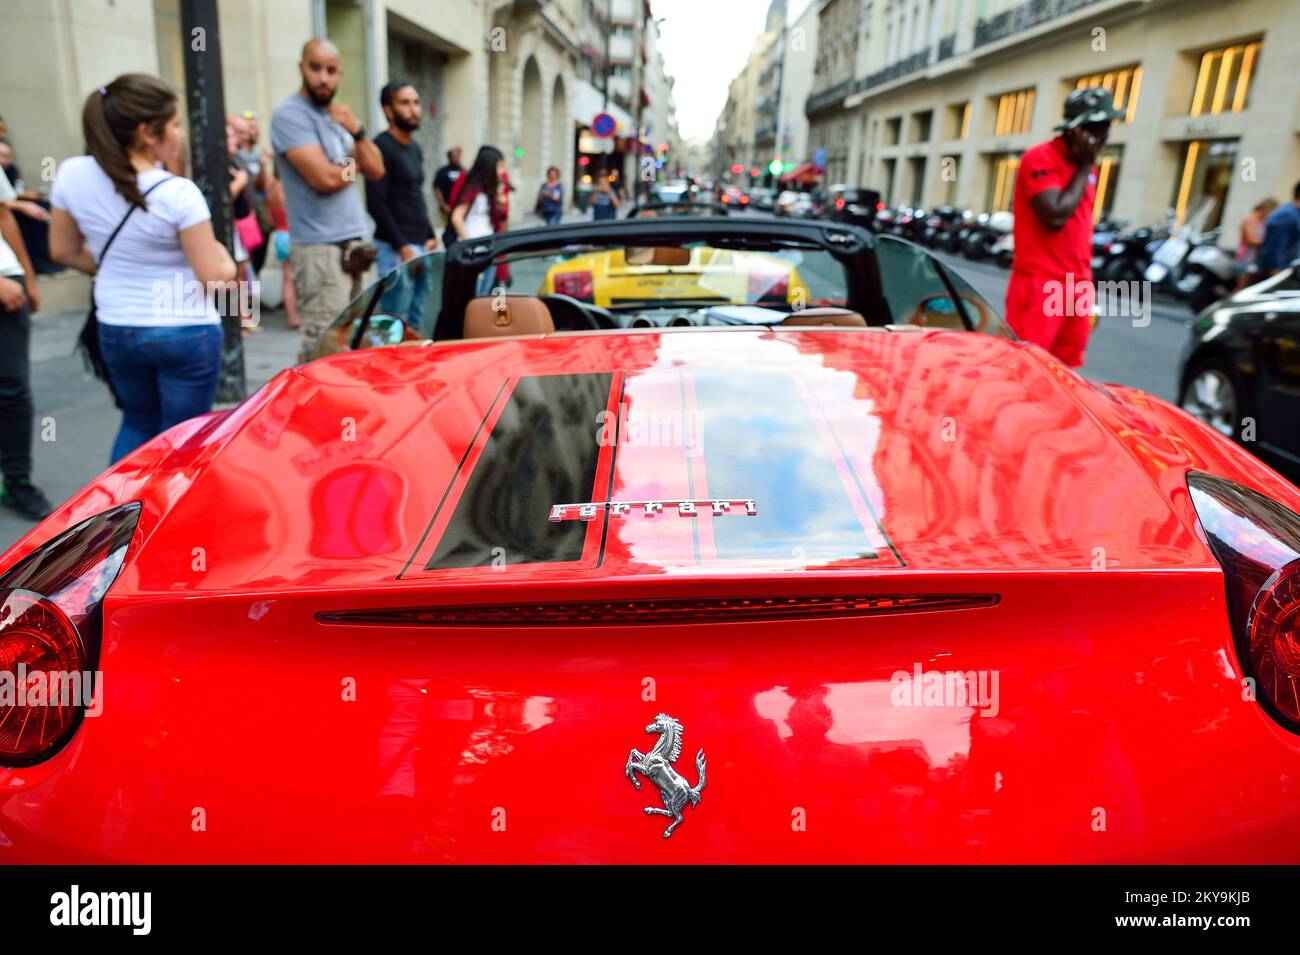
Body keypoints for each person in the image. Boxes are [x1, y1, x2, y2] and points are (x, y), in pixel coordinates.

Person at [49, 73, 236, 464]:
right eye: (175, 125)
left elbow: (62, 250)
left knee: (137, 422)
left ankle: (121, 515)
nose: (181, 134)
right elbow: (214, 280)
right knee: (185, 439)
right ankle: (171, 521)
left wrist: (114, 267)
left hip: (117, 326)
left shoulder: (71, 174)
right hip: (184, 331)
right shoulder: (177, 193)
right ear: (147, 133)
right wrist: (228, 262)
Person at [270, 37, 385, 362]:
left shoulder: (339, 118)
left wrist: (358, 132)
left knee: (363, 341)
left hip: (355, 244)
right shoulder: (289, 115)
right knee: (324, 349)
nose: (324, 78)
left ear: (340, 73)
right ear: (301, 68)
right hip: (319, 250)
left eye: (332, 70)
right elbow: (325, 178)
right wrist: (353, 165)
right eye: (315, 68)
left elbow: (376, 168)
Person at [1004, 87, 1123, 368]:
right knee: (1029, 369)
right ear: (1076, 130)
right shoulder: (1041, 158)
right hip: (1041, 282)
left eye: (1107, 127)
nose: (1104, 137)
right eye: (1098, 128)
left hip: (1078, 282)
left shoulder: (1087, 167)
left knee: (1065, 370)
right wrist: (1084, 168)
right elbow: (1055, 215)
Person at [365, 81, 438, 331]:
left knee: (416, 320)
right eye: (405, 103)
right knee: (394, 324)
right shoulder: (380, 147)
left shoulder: (415, 147)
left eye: (416, 102)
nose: (414, 109)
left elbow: (414, 193)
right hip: (394, 249)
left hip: (419, 245)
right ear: (388, 110)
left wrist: (429, 233)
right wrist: (402, 246)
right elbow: (375, 203)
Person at [0, 165, 51, 519]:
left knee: (13, 387)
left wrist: (28, 276)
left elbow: (3, 214)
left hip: (8, 281)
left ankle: (17, 479)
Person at [449, 145, 507, 295]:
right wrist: (469, 245)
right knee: (474, 295)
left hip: (488, 248)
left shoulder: (489, 190)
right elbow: (457, 218)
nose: (502, 171)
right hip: (474, 251)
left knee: (484, 293)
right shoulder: (473, 189)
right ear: (489, 167)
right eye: (499, 166)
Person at [1258, 180, 1300, 277]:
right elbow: (1274, 248)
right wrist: (1275, 276)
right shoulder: (1287, 214)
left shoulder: (1294, 214)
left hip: (1286, 272)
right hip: (1277, 274)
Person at [1235, 198, 1278, 289]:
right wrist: (1270, 242)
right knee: (1241, 287)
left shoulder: (1263, 221)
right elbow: (1252, 240)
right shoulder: (1250, 219)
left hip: (1256, 258)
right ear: (1266, 209)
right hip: (1245, 257)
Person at [432, 146, 463, 227]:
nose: (456, 159)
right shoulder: (442, 171)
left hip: (459, 207)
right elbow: (437, 189)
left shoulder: (463, 171)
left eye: (457, 156)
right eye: (453, 156)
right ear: (449, 157)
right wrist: (444, 205)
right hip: (446, 208)